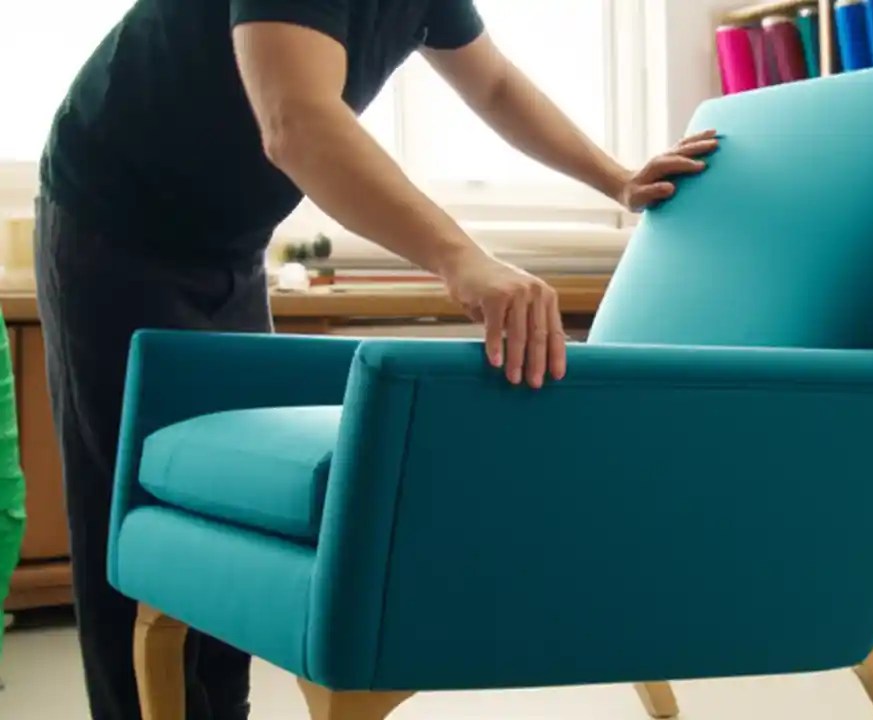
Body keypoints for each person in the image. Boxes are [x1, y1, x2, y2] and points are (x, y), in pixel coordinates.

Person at [34, 1, 716, 718]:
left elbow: (494, 85)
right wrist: (460, 258)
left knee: (218, 512)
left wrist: (617, 180)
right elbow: (296, 121)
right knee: (132, 503)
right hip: (113, 220)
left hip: (229, 244)